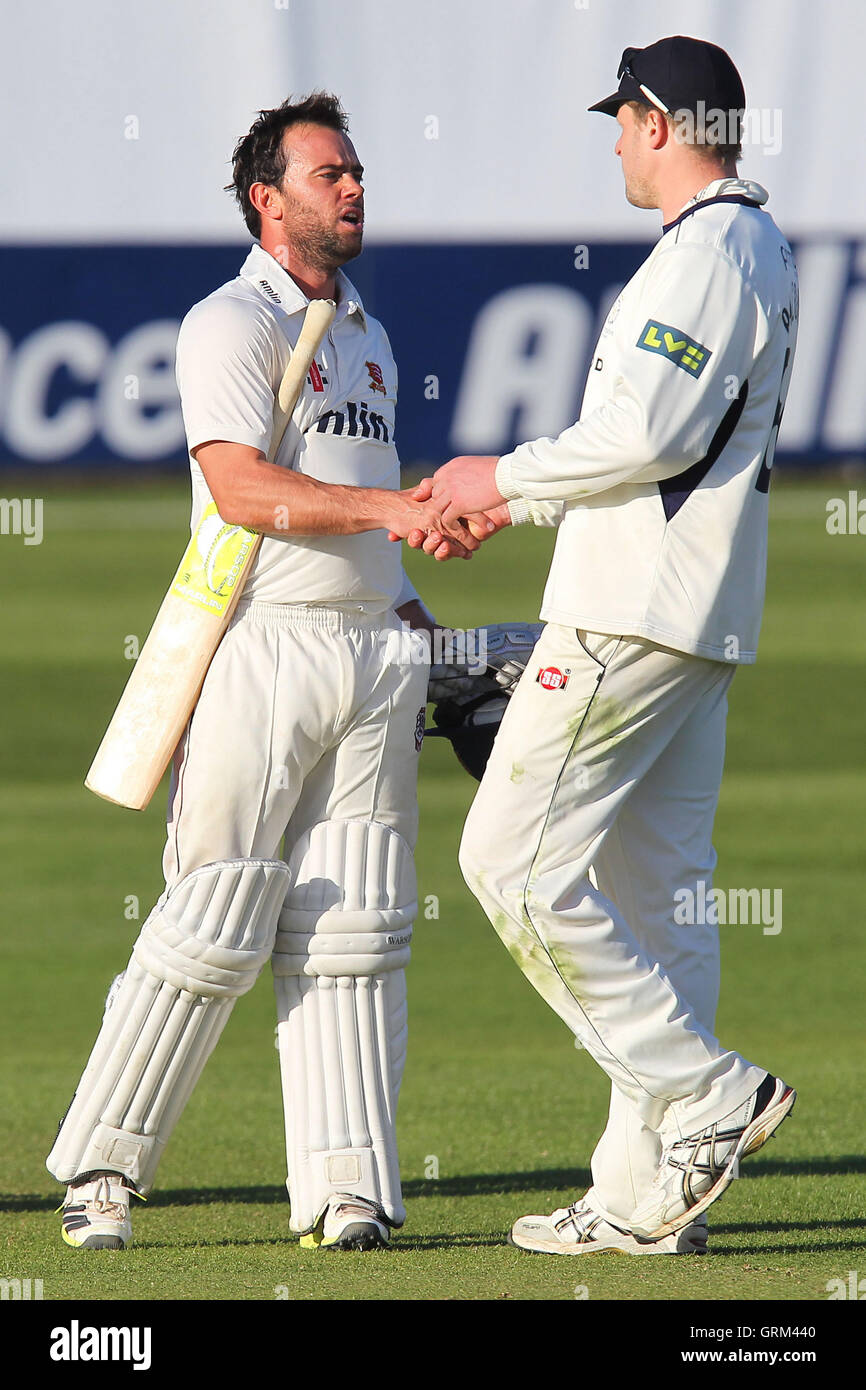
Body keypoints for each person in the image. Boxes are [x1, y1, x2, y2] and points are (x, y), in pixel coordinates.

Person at [47, 93, 479, 1252]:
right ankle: (102, 1173)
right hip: (260, 647)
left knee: (358, 928)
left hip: (370, 657)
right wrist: (395, 504)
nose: (352, 189)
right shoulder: (225, 322)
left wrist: (430, 641)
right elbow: (241, 490)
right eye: (328, 173)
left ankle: (344, 1188)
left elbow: (361, 537)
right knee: (213, 918)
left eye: (355, 171)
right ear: (267, 197)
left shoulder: (370, 338)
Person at [413, 37, 799, 1255]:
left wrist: (496, 478)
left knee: (507, 864)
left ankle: (706, 1092)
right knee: (656, 889)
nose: (614, 142)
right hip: (693, 612)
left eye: (620, 120)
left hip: (633, 609)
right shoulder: (746, 244)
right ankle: (645, 1198)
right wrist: (511, 499)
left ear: (654, 121)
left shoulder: (713, 247)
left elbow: (642, 434)